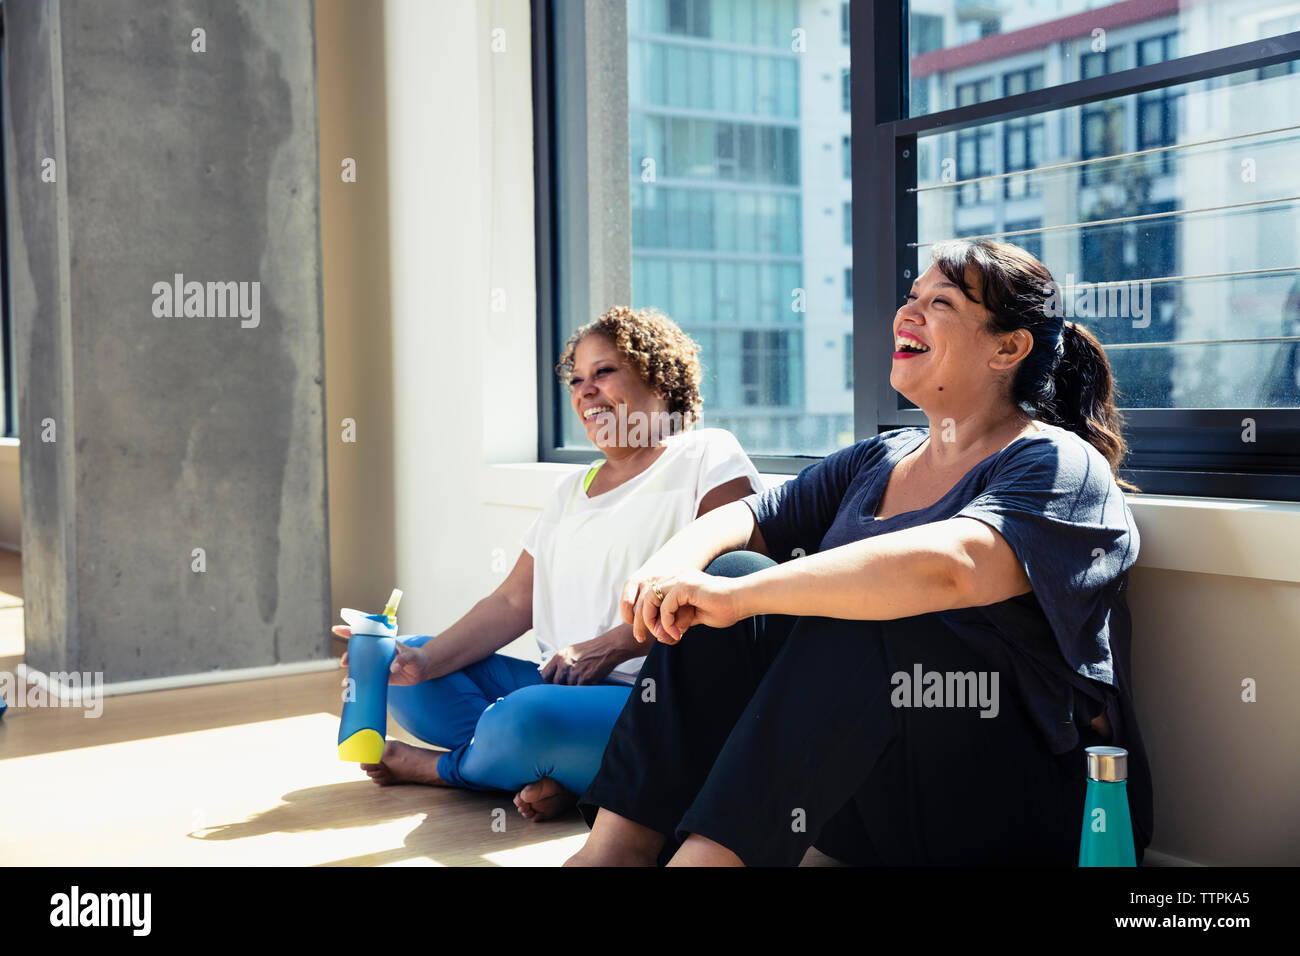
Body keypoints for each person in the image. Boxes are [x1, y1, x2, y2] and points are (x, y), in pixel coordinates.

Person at [566, 238, 1154, 867]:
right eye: (910, 298)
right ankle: (613, 853)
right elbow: (750, 516)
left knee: (861, 620)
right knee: (731, 565)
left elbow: (949, 568)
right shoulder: (881, 458)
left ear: (1007, 348)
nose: (908, 314)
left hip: (1024, 810)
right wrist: (672, 565)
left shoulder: (1058, 463)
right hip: (876, 800)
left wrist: (738, 598)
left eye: (941, 303)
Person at [336, 305, 763, 821]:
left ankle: (448, 768)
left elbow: (730, 585)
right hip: (562, 687)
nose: (585, 390)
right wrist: (422, 662)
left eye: (604, 372)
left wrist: (610, 646)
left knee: (524, 718)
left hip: (654, 699)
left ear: (661, 381)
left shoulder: (706, 454)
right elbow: (513, 601)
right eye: (577, 379)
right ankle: (563, 774)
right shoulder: (569, 490)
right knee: (416, 670)